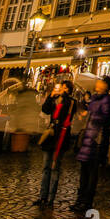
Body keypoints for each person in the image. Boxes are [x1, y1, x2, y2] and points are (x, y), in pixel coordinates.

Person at [72, 76, 110, 213]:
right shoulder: (94, 98)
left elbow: (105, 118)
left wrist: (92, 115)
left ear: (105, 86)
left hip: (96, 141)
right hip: (87, 138)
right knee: (84, 172)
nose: (98, 84)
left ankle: (87, 201)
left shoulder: (106, 100)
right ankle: (80, 199)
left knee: (92, 173)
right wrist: (85, 113)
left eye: (101, 82)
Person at [35, 79, 77, 207]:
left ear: (68, 90)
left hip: (61, 135)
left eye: (64, 88)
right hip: (51, 134)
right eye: (60, 87)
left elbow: (66, 111)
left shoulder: (71, 102)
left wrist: (62, 97)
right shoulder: (54, 100)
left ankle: (51, 198)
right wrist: (50, 96)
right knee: (46, 167)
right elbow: (45, 110)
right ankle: (42, 196)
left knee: (55, 168)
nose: (61, 90)